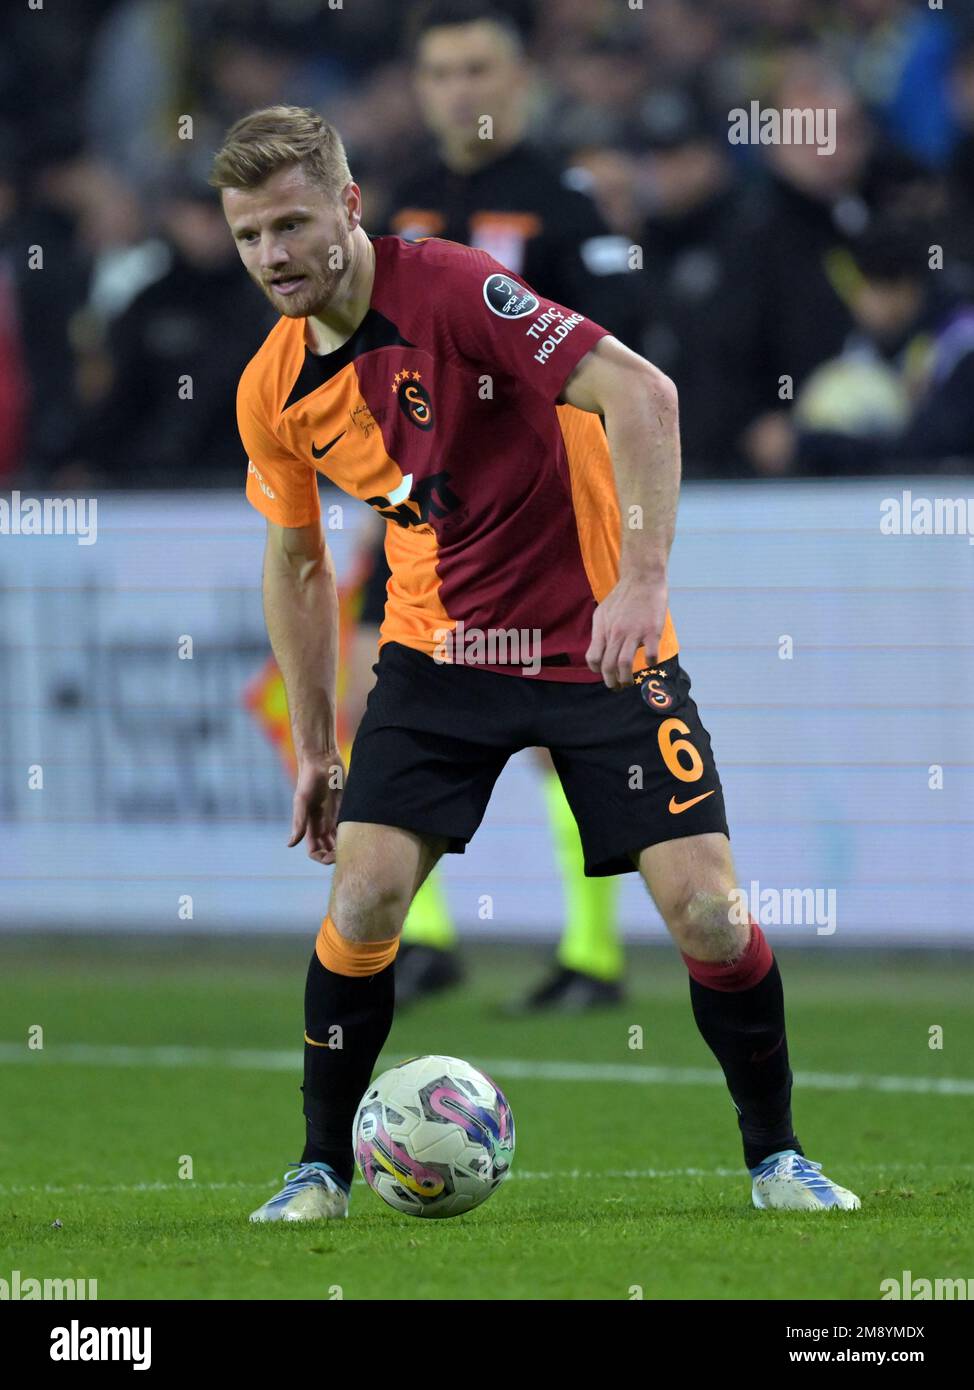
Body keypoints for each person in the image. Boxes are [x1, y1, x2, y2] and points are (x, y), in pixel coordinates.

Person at [210, 104, 860, 1220]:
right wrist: (317, 742)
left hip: (597, 646)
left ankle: (776, 1159)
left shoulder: (453, 287)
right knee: (364, 898)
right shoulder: (272, 388)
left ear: (349, 207)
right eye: (248, 236)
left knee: (707, 913)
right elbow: (299, 564)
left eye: (291, 223)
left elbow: (640, 393)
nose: (272, 255)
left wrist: (642, 580)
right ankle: (318, 1169)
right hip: (440, 652)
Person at [352, 0, 642, 1009]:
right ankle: (418, 936)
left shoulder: (562, 205)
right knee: (383, 688)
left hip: (540, 512)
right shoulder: (400, 206)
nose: (458, 91)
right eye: (440, 73)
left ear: (517, 80)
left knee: (561, 727)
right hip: (419, 503)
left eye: (477, 69)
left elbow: (623, 361)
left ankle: (591, 955)